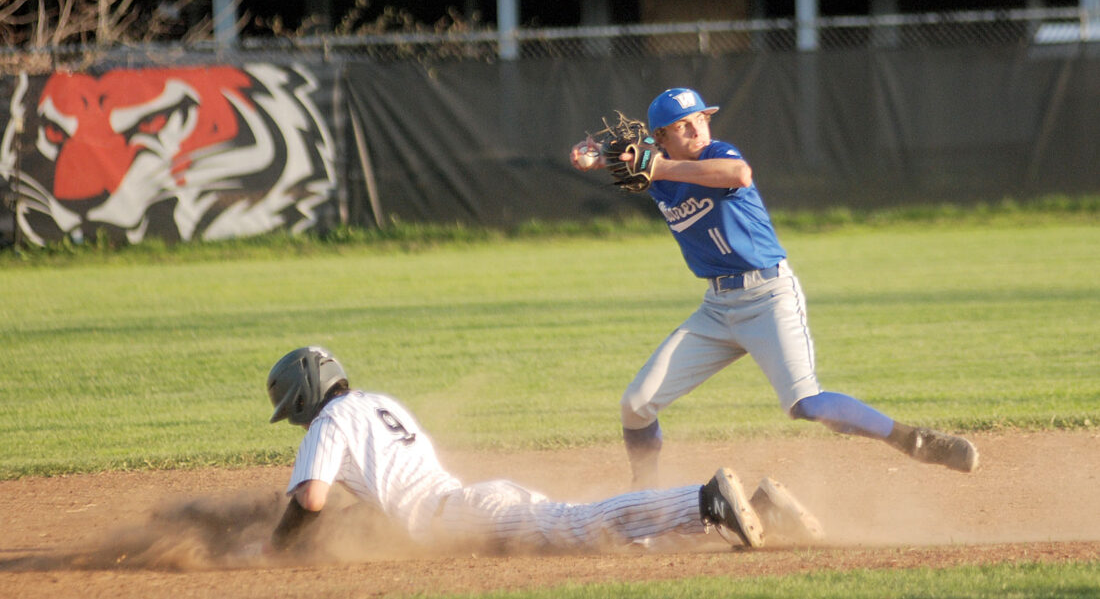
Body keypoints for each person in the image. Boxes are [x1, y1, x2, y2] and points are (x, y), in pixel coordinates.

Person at [569, 87, 979, 488]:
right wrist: (594, 156)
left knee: (806, 404)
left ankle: (915, 441)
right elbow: (619, 157)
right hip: (717, 309)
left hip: (768, 297)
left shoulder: (716, 155)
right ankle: (644, 497)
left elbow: (738, 175)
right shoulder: (654, 172)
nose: (697, 130)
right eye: (683, 126)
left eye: (701, 119)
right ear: (660, 137)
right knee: (636, 405)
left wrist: (659, 167)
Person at [250, 345, 823, 557]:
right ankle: (756, 510)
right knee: (607, 543)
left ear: (301, 398)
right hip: (466, 510)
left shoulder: (328, 422)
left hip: (462, 513)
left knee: (582, 525)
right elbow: (380, 494)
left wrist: (278, 547)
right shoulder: (375, 403)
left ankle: (707, 501)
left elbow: (312, 499)